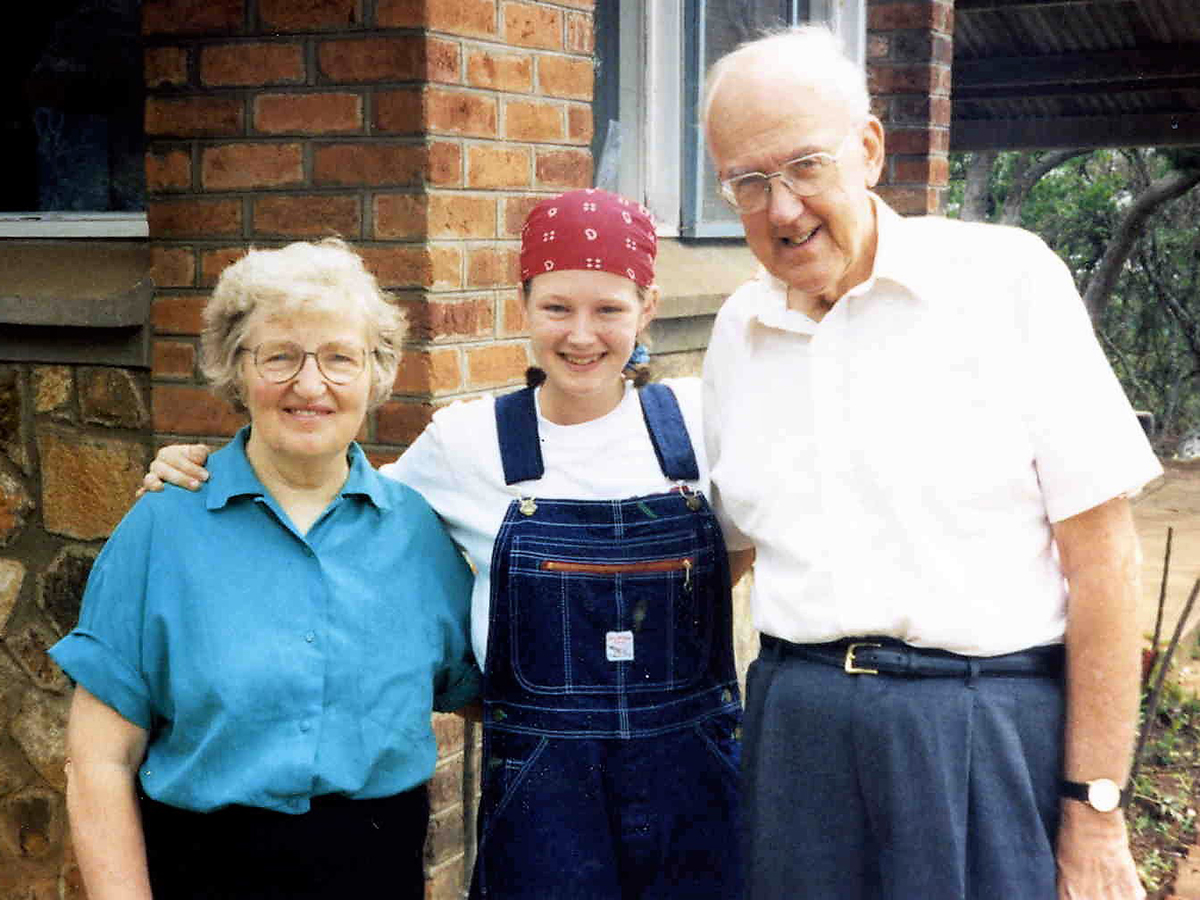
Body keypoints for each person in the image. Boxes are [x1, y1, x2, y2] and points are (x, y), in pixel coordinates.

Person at [142, 189, 743, 900]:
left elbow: (741, 552)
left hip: (694, 788)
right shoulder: (468, 443)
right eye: (557, 308)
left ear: (647, 307)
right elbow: (338, 503)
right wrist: (202, 473)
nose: (582, 335)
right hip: (546, 805)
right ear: (523, 306)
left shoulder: (703, 422)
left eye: (608, 308)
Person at [700, 25, 1161, 900]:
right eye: (749, 183)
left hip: (980, 732)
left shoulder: (1005, 283)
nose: (784, 209)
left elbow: (1105, 563)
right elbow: (729, 551)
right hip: (799, 742)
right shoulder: (737, 333)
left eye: (805, 166)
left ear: (868, 149)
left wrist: (1094, 810)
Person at [50, 238, 479, 900]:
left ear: (376, 372)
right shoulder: (163, 527)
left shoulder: (417, 534)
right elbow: (100, 762)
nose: (310, 385)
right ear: (235, 369)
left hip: (376, 869)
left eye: (340, 357)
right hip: (203, 872)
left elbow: (481, 691)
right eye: (279, 356)